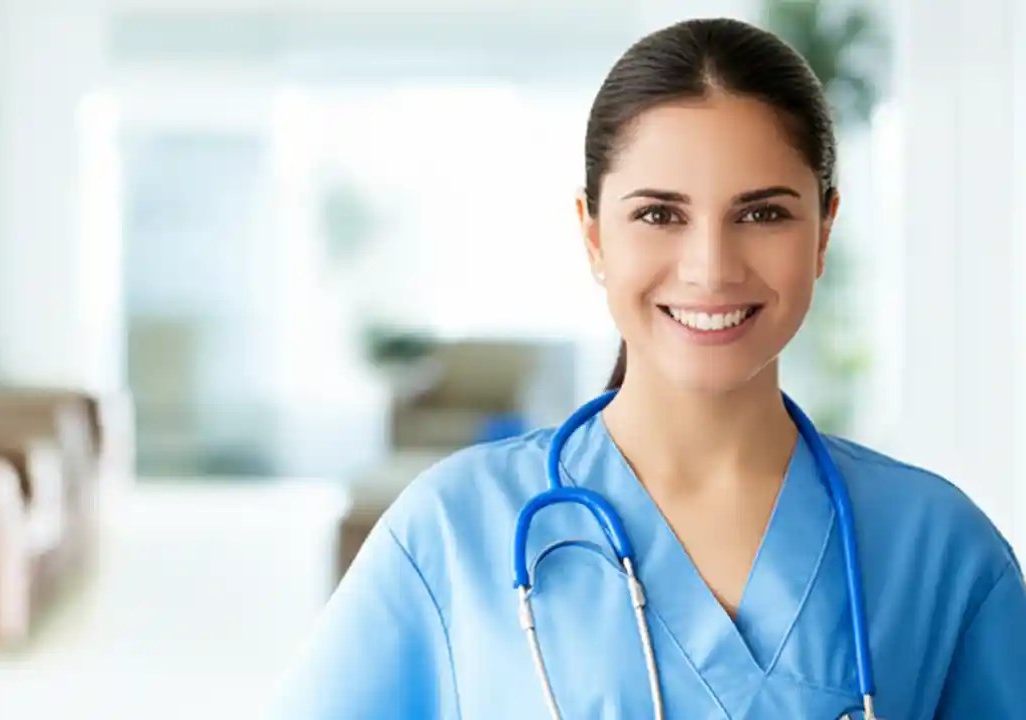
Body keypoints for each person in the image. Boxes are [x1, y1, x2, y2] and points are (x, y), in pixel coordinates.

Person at [269, 17, 1026, 719]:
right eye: (659, 215)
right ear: (593, 235)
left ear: (824, 229)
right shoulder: (455, 532)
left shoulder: (940, 551)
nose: (710, 268)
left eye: (762, 213)